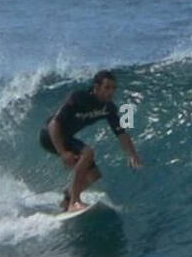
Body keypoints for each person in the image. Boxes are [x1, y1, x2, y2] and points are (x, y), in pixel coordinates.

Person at [40, 70, 143, 211]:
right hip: (50, 136)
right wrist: (63, 153)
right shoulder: (79, 98)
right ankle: (74, 203)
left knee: (94, 175)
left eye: (113, 88)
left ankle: (68, 197)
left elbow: (121, 133)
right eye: (107, 87)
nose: (111, 92)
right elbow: (53, 124)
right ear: (96, 87)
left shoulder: (109, 108)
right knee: (87, 153)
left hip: (66, 138)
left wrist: (133, 154)